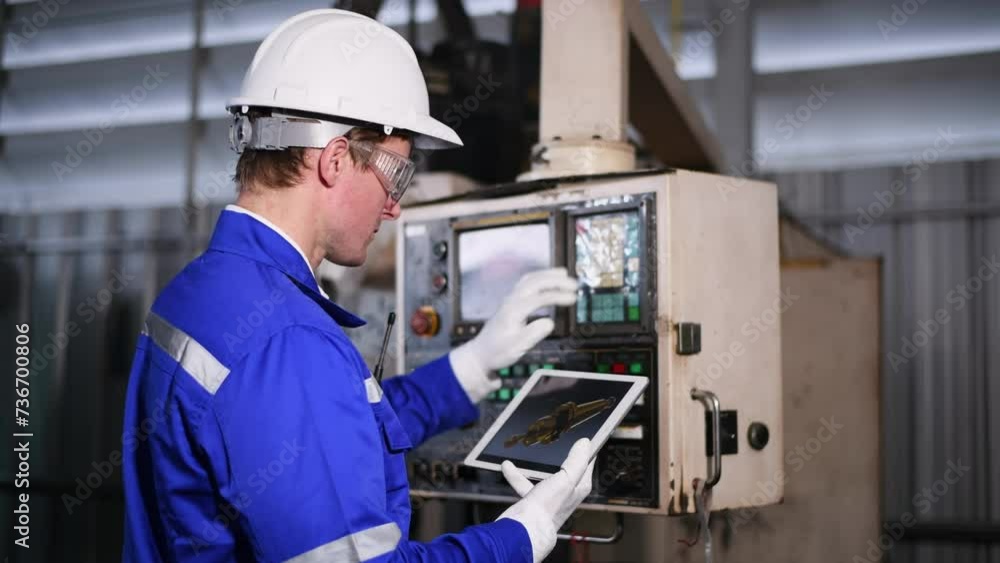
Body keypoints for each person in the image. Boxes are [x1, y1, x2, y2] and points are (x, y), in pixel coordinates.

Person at [121, 9, 595, 563]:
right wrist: (520, 535)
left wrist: (469, 367)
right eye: (396, 175)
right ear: (336, 159)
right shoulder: (287, 340)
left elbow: (324, 435)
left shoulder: (197, 292)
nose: (394, 206)